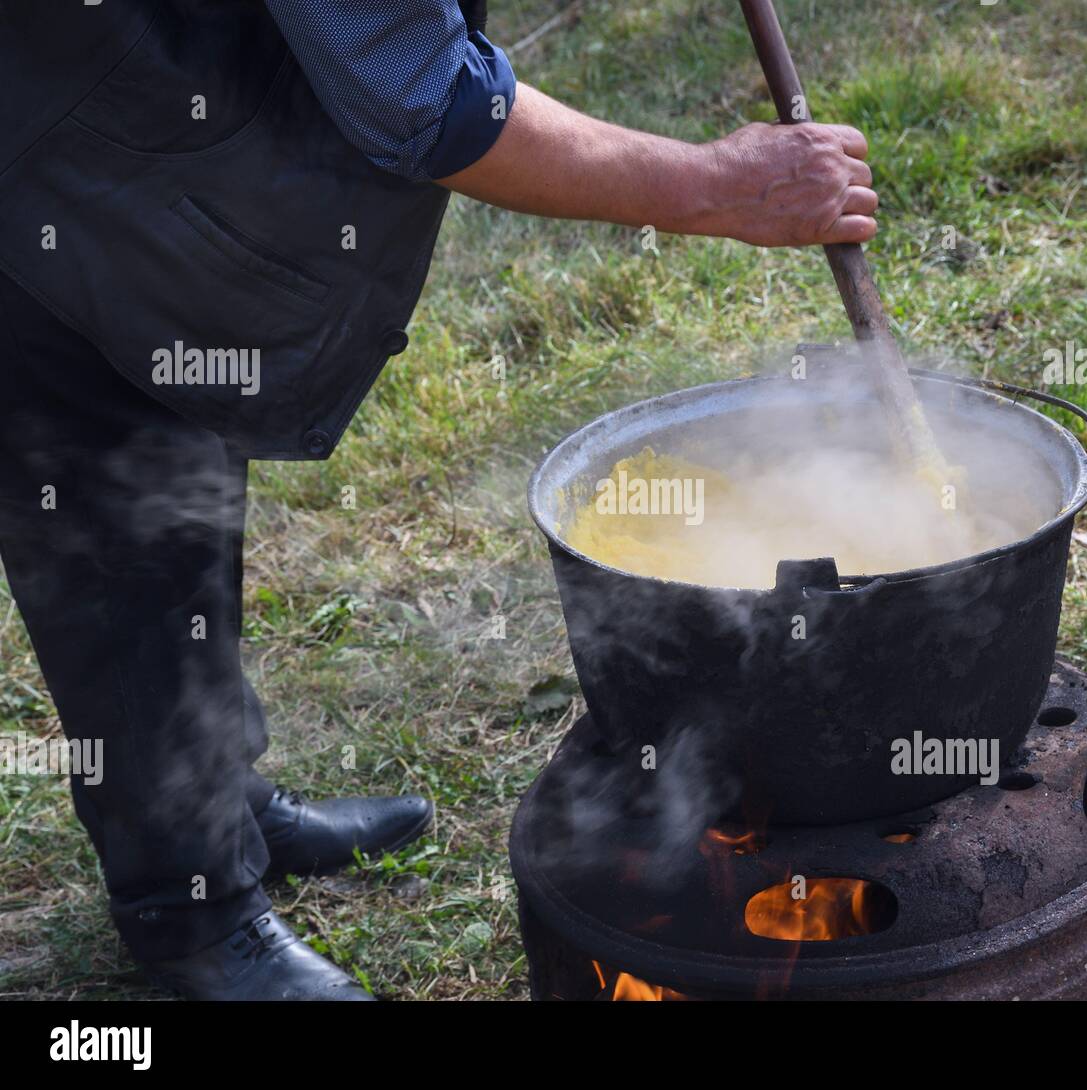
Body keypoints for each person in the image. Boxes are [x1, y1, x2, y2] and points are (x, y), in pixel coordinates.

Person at [0, 0, 877, 1000]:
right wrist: (718, 187)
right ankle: (191, 911)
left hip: (119, 110)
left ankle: (219, 805)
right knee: (111, 492)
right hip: (38, 163)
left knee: (175, 438)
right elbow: (426, 100)